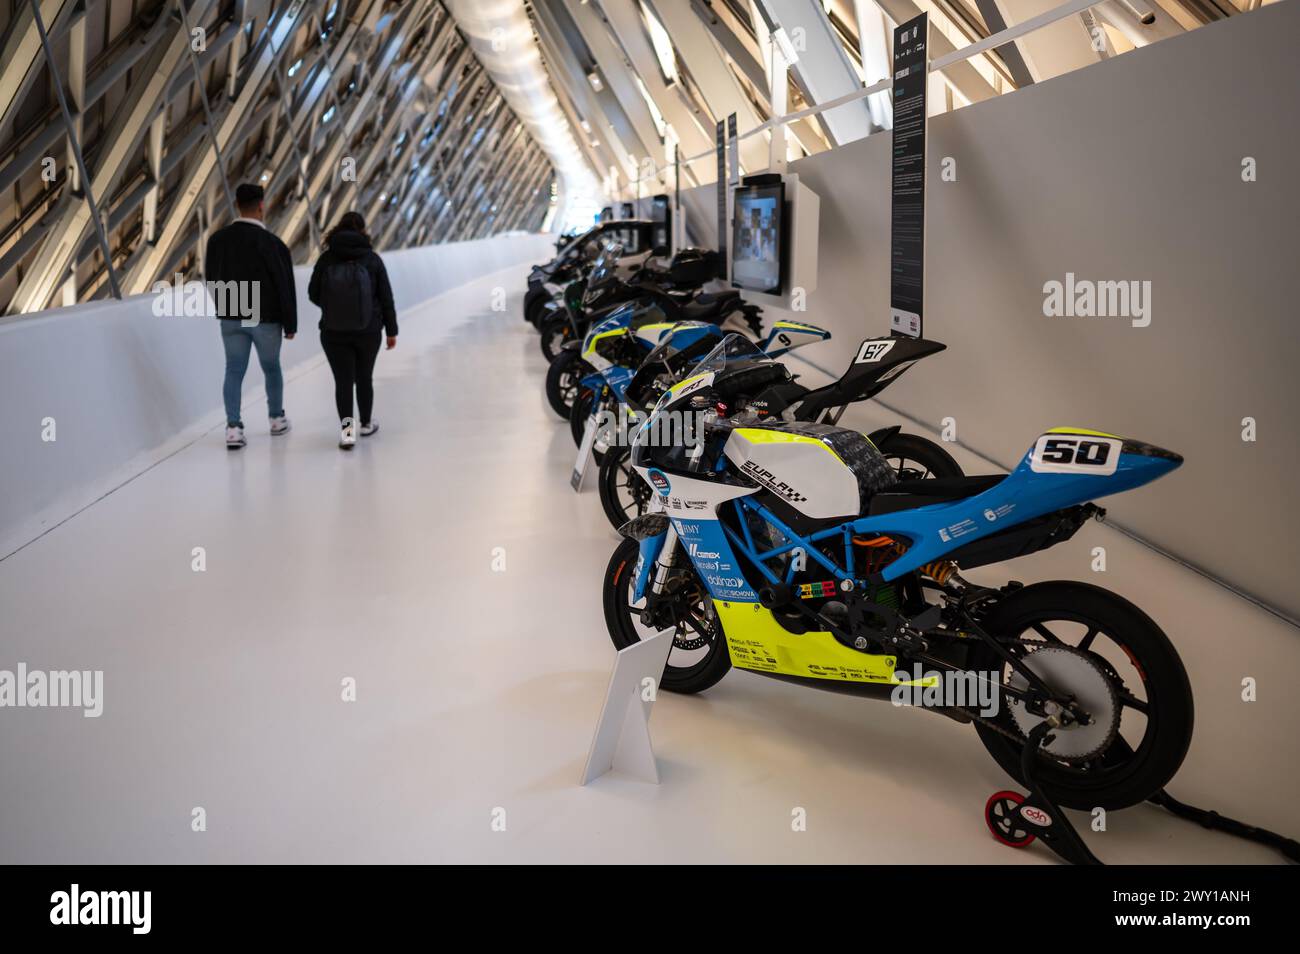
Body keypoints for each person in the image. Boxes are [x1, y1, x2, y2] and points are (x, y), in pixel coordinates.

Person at [205, 183, 298, 449]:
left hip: (232, 316)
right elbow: (284, 285)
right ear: (261, 206)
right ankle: (276, 419)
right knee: (271, 368)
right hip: (265, 318)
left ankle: (233, 428)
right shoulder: (273, 244)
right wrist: (290, 324)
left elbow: (211, 278)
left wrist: (225, 305)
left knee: (233, 370)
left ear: (237, 206)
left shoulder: (217, 240)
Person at [308, 212, 398, 450]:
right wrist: (391, 330)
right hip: (368, 330)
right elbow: (386, 297)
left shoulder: (327, 259)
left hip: (333, 331)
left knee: (343, 382)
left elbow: (313, 294)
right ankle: (366, 423)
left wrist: (334, 308)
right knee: (364, 377)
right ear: (363, 230)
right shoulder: (372, 259)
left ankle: (347, 433)